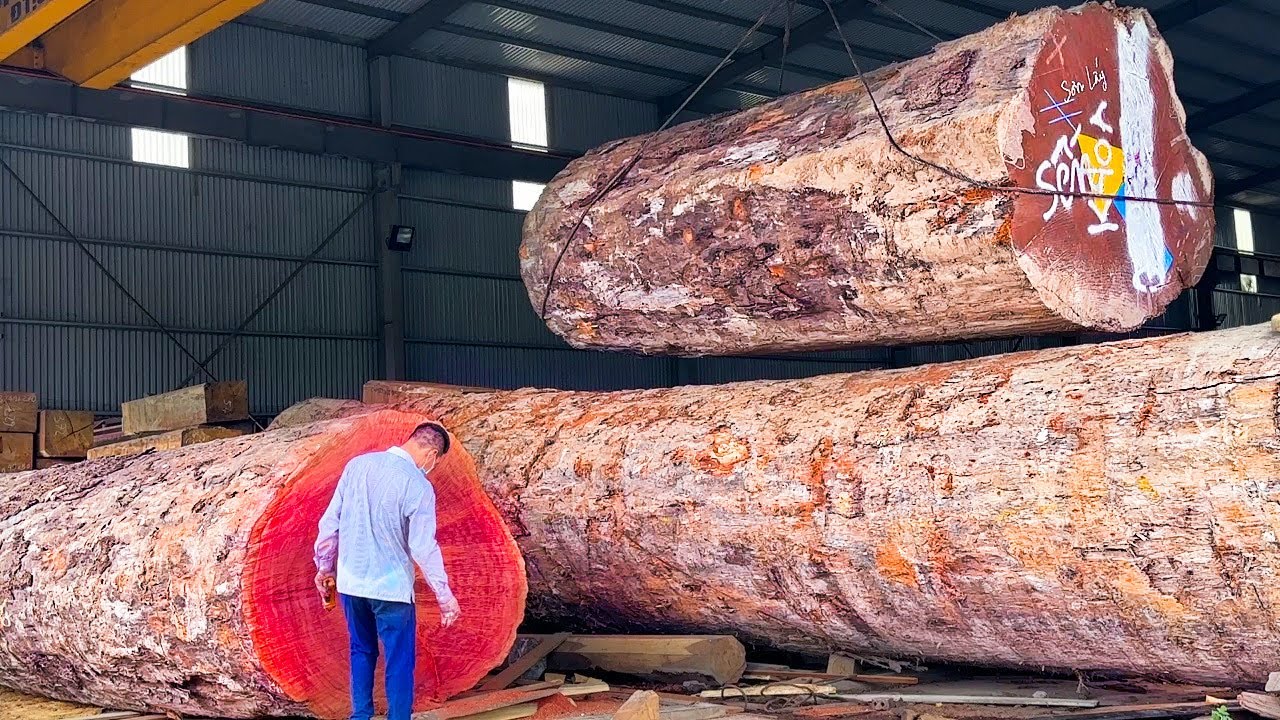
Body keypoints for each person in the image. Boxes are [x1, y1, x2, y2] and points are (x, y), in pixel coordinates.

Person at [313, 422, 463, 720]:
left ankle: (360, 715)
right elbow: (423, 547)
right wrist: (445, 597)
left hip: (351, 583)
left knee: (361, 650)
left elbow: (330, 523)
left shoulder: (357, 466)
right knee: (399, 660)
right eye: (436, 462)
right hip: (391, 589)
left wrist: (324, 566)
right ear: (432, 453)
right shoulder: (418, 486)